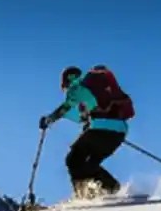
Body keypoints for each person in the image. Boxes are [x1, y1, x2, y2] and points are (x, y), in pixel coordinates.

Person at [39, 65, 134, 199]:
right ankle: (112, 189)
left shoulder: (76, 88)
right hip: (118, 133)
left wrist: (49, 120)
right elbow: (85, 115)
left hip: (100, 130)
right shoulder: (93, 92)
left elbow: (66, 107)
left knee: (73, 160)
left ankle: (84, 195)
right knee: (89, 165)